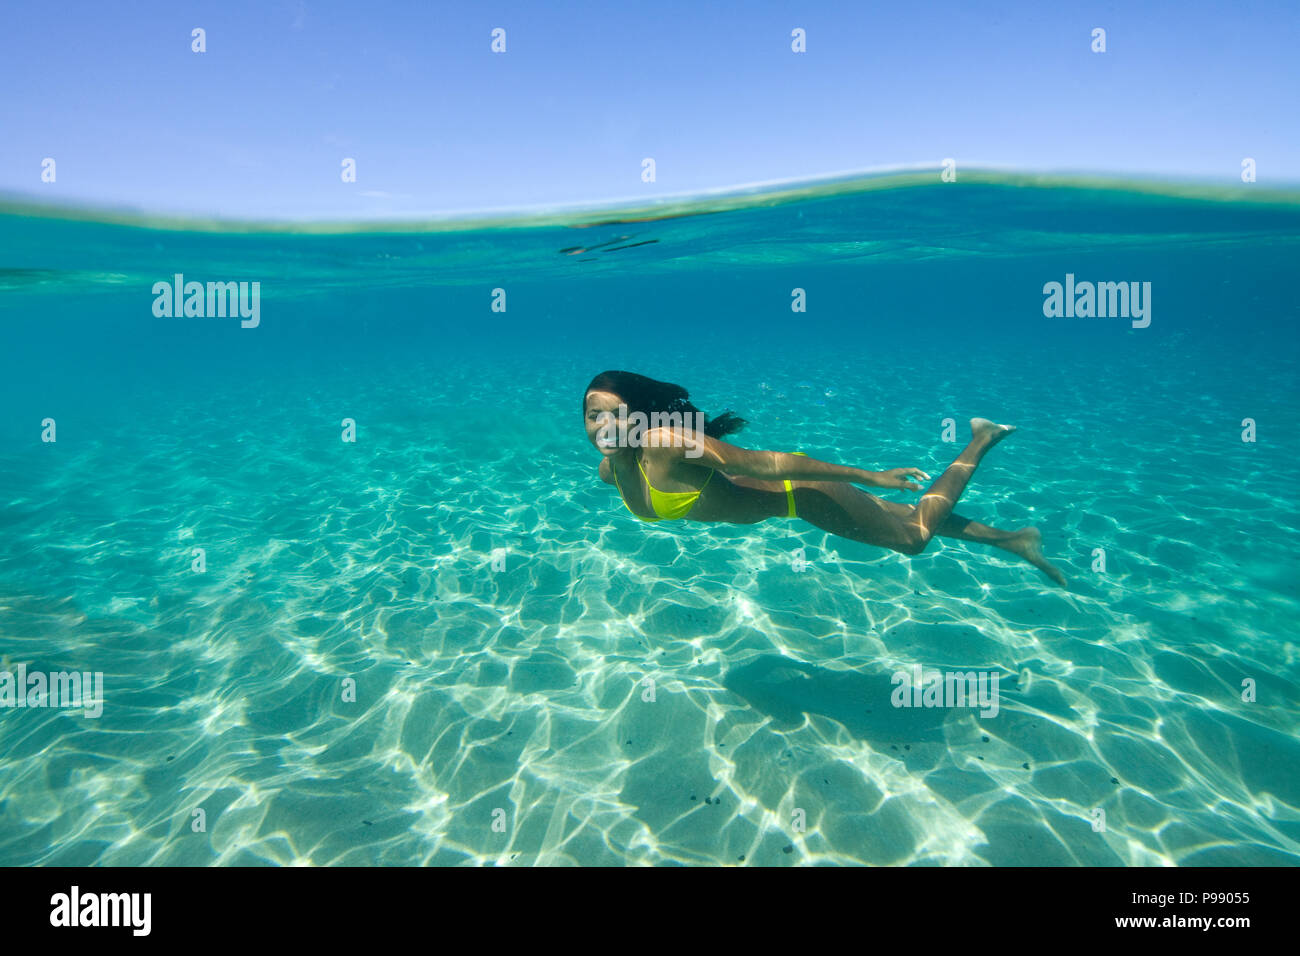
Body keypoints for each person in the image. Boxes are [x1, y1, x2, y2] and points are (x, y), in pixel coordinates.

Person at [583, 370, 1065, 586]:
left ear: (643, 417)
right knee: (908, 517)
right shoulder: (613, 470)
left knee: (914, 537)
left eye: (615, 414)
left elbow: (765, 464)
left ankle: (982, 438)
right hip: (781, 499)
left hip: (803, 495)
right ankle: (1016, 540)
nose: (602, 427)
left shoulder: (666, 444)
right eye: (591, 416)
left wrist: (869, 475)